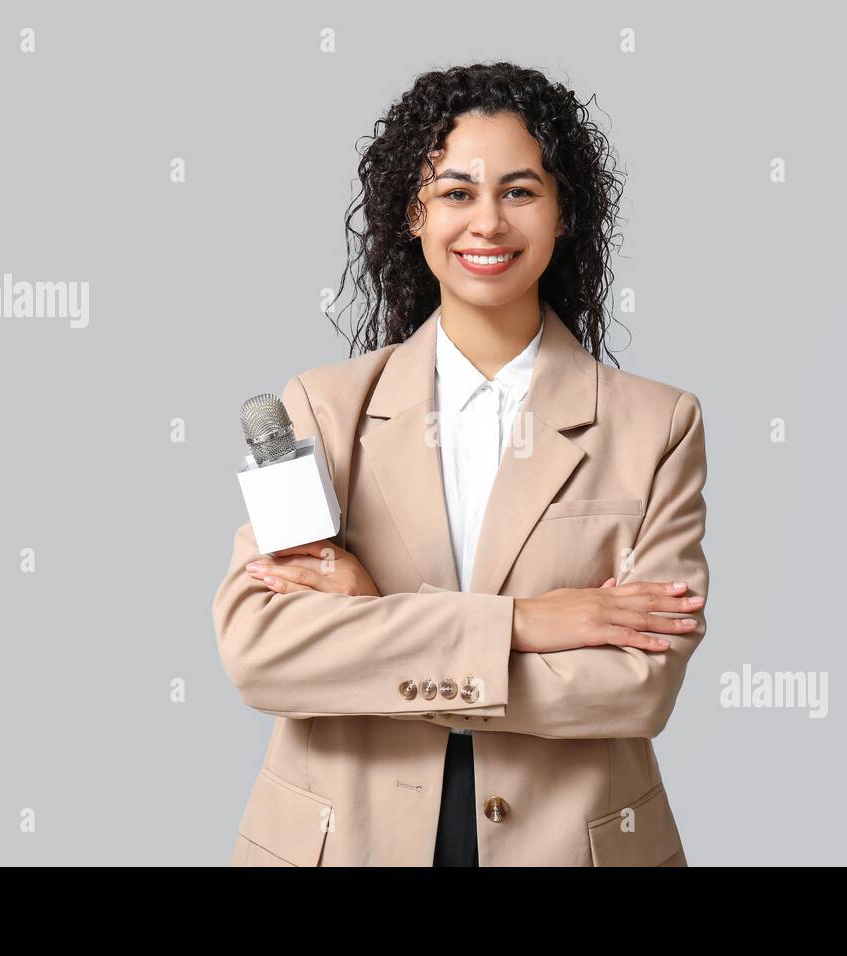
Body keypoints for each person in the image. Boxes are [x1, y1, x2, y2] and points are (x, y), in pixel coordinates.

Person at [213, 61, 709, 867]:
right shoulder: (323, 409)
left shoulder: (658, 426)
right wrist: (528, 624)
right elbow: (264, 651)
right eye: (455, 193)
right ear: (413, 214)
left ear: (563, 213)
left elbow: (636, 687)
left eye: (519, 191)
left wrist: (374, 628)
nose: (487, 223)